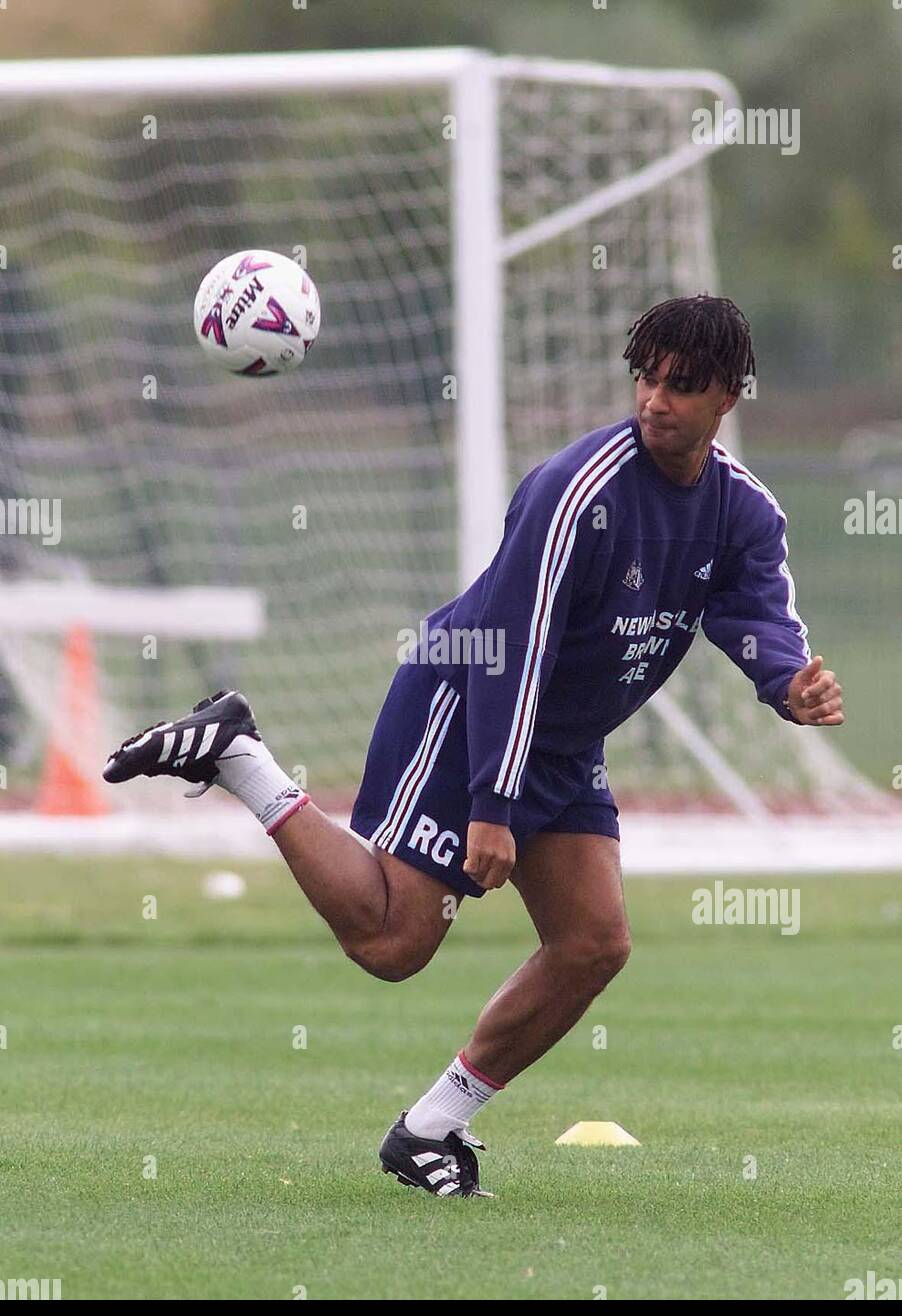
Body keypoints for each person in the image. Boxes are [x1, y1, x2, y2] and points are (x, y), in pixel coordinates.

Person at [103, 294, 843, 1198]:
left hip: (561, 741)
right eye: (646, 377)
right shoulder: (575, 492)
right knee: (393, 942)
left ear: (730, 395)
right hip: (468, 706)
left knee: (593, 945)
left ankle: (429, 1131)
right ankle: (238, 760)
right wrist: (493, 804)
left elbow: (752, 605)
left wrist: (788, 679)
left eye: (683, 386)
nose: (655, 399)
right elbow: (510, 648)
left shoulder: (742, 510)